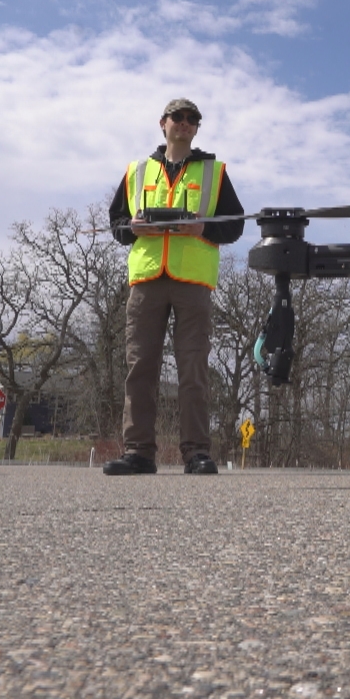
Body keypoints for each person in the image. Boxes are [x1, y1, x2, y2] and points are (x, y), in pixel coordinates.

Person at [104, 98, 245, 475]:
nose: (184, 123)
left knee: (193, 369)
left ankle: (197, 452)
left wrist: (203, 227)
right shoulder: (137, 171)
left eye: (192, 119)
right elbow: (116, 223)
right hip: (147, 282)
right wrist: (132, 228)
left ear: (197, 128)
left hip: (193, 283)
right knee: (140, 367)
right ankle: (138, 452)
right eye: (177, 117)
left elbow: (235, 225)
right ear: (162, 123)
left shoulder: (215, 172)